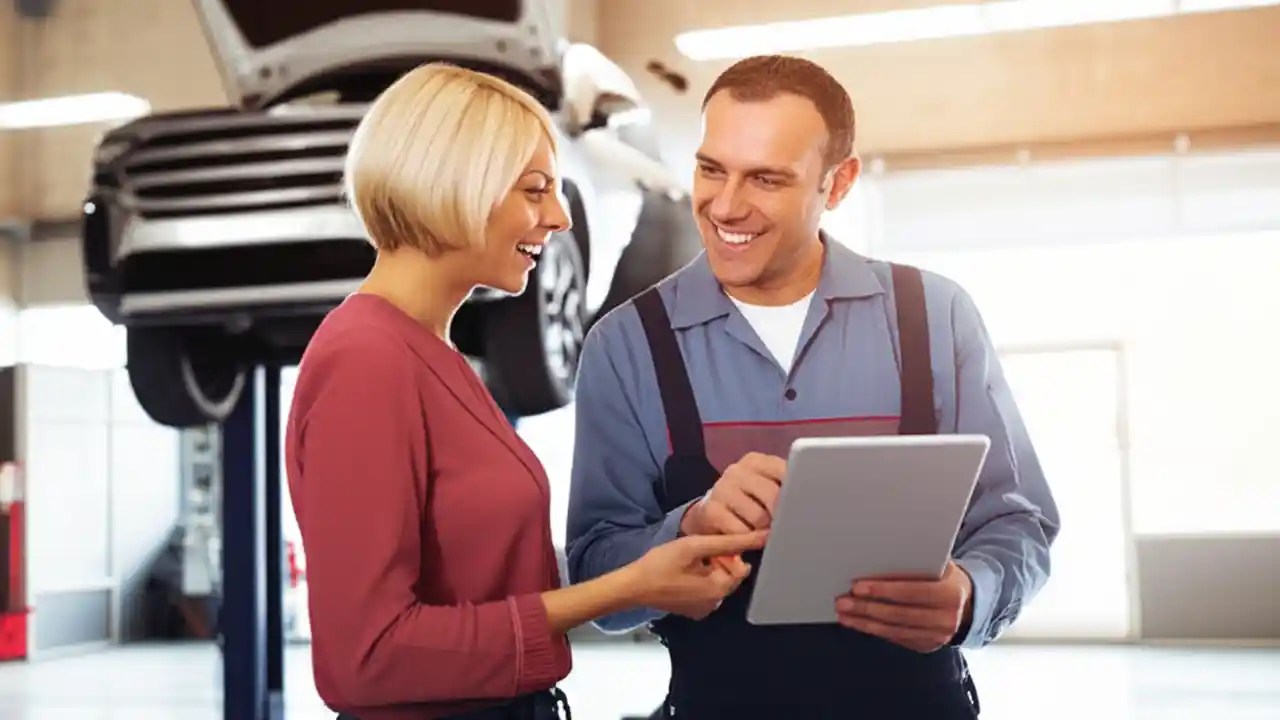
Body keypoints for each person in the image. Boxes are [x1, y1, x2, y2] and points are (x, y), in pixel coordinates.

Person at [565, 55, 1061, 718]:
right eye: (712, 169)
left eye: (766, 178)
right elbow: (595, 570)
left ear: (840, 181)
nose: (726, 205)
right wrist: (691, 525)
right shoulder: (625, 345)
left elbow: (1017, 520)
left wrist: (971, 591)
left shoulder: (934, 316)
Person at [283, 63, 768, 720]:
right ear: (453, 183)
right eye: (536, 189)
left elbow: (490, 585)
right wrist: (626, 587)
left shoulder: (434, 356)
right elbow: (367, 656)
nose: (562, 217)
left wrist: (678, 536)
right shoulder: (366, 361)